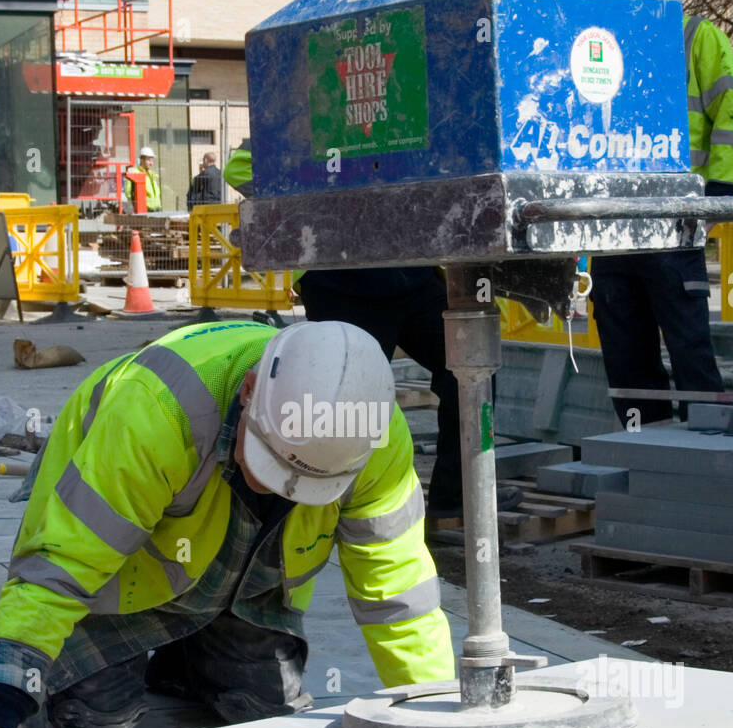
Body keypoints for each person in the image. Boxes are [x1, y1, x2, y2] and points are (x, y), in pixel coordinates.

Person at [0, 319, 454, 728]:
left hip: (245, 570)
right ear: (250, 391)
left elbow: (398, 591)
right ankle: (106, 644)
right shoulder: (153, 415)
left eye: (314, 488)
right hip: (124, 559)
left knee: (261, 713)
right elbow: (55, 576)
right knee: (96, 721)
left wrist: (437, 716)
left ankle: (189, 652)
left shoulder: (371, 435)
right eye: (273, 467)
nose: (293, 494)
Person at [220, 144, 521, 519]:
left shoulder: (400, 119)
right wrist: (332, 190)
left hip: (410, 273)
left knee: (475, 371)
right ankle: (336, 505)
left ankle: (457, 494)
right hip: (340, 283)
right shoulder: (312, 122)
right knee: (348, 403)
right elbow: (239, 168)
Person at [587, 0, 733, 426]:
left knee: (687, 349)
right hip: (617, 223)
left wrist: (716, 196)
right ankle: (648, 450)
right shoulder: (601, 46)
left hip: (671, 221)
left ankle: (702, 456)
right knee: (625, 352)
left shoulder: (693, 36)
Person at [126, 146, 162, 212]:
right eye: (149, 160)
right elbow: (129, 193)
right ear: (141, 159)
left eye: (152, 160)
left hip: (157, 209)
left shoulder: (151, 174)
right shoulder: (134, 173)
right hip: (144, 210)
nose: (151, 163)